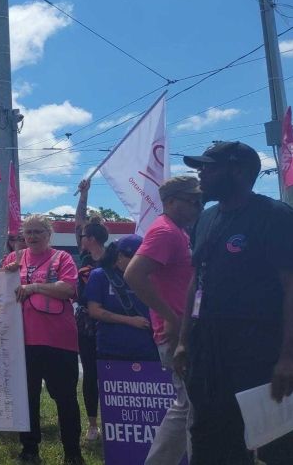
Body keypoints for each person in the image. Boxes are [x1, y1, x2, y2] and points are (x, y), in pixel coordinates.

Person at [173, 142, 293, 464]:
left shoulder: (275, 216)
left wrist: (288, 357)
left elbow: (292, 287)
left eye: (208, 167)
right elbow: (195, 281)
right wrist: (185, 340)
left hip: (260, 356)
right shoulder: (206, 218)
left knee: (278, 447)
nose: (200, 173)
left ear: (237, 171)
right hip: (209, 355)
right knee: (211, 442)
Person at [125, 175, 202, 464]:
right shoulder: (165, 232)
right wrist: (170, 317)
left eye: (199, 199)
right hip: (176, 333)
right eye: (190, 199)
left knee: (186, 406)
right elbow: (133, 274)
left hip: (182, 330)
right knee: (195, 409)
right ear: (170, 202)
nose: (198, 204)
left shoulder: (178, 231)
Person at [2, 214, 84, 465]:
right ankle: (29, 450)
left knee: (65, 398)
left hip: (58, 341)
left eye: (39, 231)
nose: (33, 237)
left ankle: (72, 453)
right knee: (26, 398)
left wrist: (34, 287)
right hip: (22, 342)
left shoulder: (63, 258)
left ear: (49, 235)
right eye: (28, 232)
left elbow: (69, 289)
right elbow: (1, 292)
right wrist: (7, 276)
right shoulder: (12, 260)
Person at [85, 235, 158, 362]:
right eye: (134, 258)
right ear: (119, 256)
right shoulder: (100, 276)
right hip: (112, 349)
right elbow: (94, 311)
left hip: (148, 348)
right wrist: (130, 320)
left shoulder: (151, 277)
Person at [74, 179, 108, 443]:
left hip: (109, 322)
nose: (80, 238)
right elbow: (79, 220)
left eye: (83, 236)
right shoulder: (84, 258)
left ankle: (114, 416)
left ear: (92, 239)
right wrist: (84, 194)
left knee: (109, 370)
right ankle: (93, 424)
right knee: (90, 373)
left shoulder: (114, 257)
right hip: (85, 323)